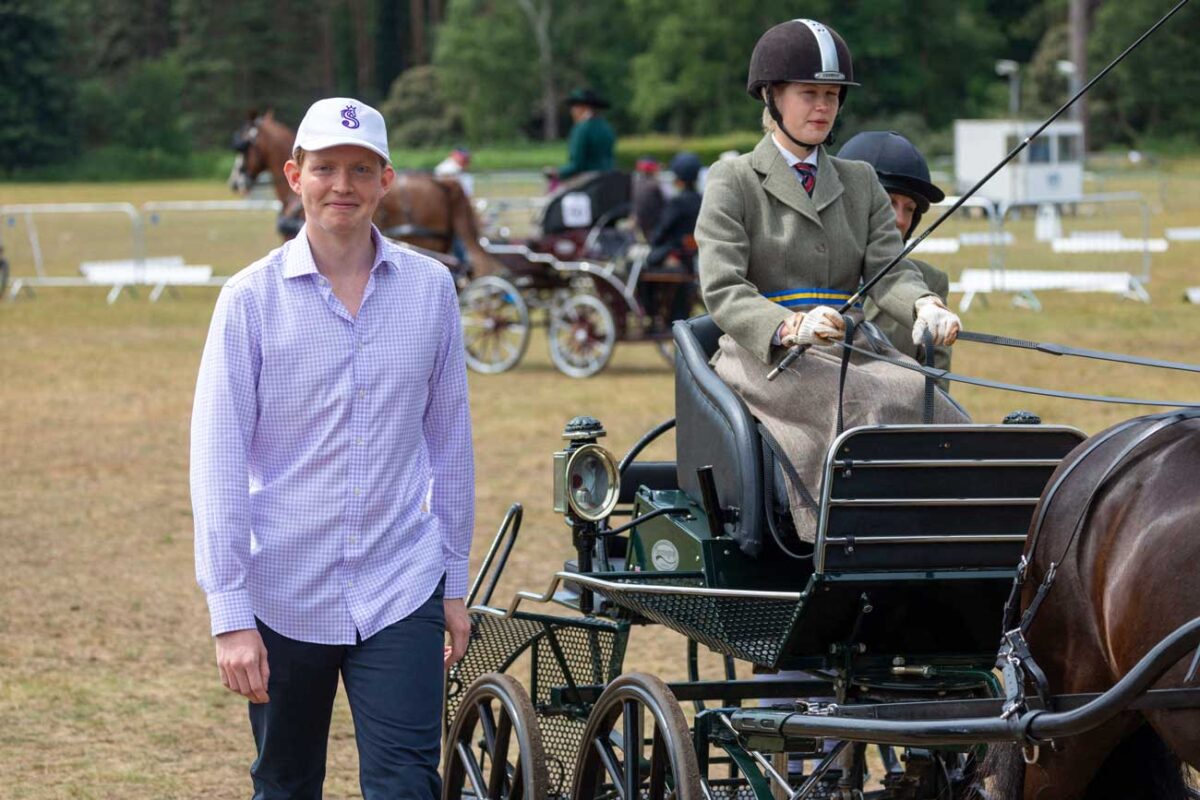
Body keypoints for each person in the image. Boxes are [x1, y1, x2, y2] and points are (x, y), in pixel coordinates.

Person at [190, 97, 474, 800]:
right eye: (324, 169)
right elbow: (218, 459)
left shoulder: (431, 290)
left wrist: (453, 581)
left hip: (400, 583)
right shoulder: (249, 301)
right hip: (283, 589)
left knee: (409, 784)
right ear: (294, 175)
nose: (341, 185)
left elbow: (450, 441)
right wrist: (229, 613)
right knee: (285, 785)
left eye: (359, 169)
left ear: (385, 179)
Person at [696, 19, 968, 543]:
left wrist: (925, 306)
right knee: (867, 403)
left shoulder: (859, 180)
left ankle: (945, 533)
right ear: (772, 97)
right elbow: (724, 290)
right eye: (808, 93)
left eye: (832, 95)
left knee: (924, 395)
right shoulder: (732, 181)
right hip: (765, 355)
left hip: (850, 343)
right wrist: (790, 326)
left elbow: (889, 271)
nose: (822, 107)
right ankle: (846, 542)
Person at [838, 130, 953, 385]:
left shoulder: (929, 284)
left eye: (909, 209)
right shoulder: (808, 265)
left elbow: (936, 393)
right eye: (888, 202)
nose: (900, 219)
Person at [639, 152, 704, 329]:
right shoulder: (702, 200)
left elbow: (659, 234)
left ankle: (649, 314)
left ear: (679, 179)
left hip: (675, 255)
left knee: (639, 266)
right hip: (692, 256)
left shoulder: (676, 203)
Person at [550, 88, 616, 181]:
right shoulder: (607, 128)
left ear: (584, 108)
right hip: (609, 179)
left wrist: (557, 172)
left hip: (588, 182)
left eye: (574, 107)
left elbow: (577, 165)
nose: (572, 111)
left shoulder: (582, 129)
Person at [632, 157, 665, 241]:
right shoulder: (655, 185)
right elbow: (667, 204)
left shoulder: (636, 184)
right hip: (655, 228)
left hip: (641, 227)